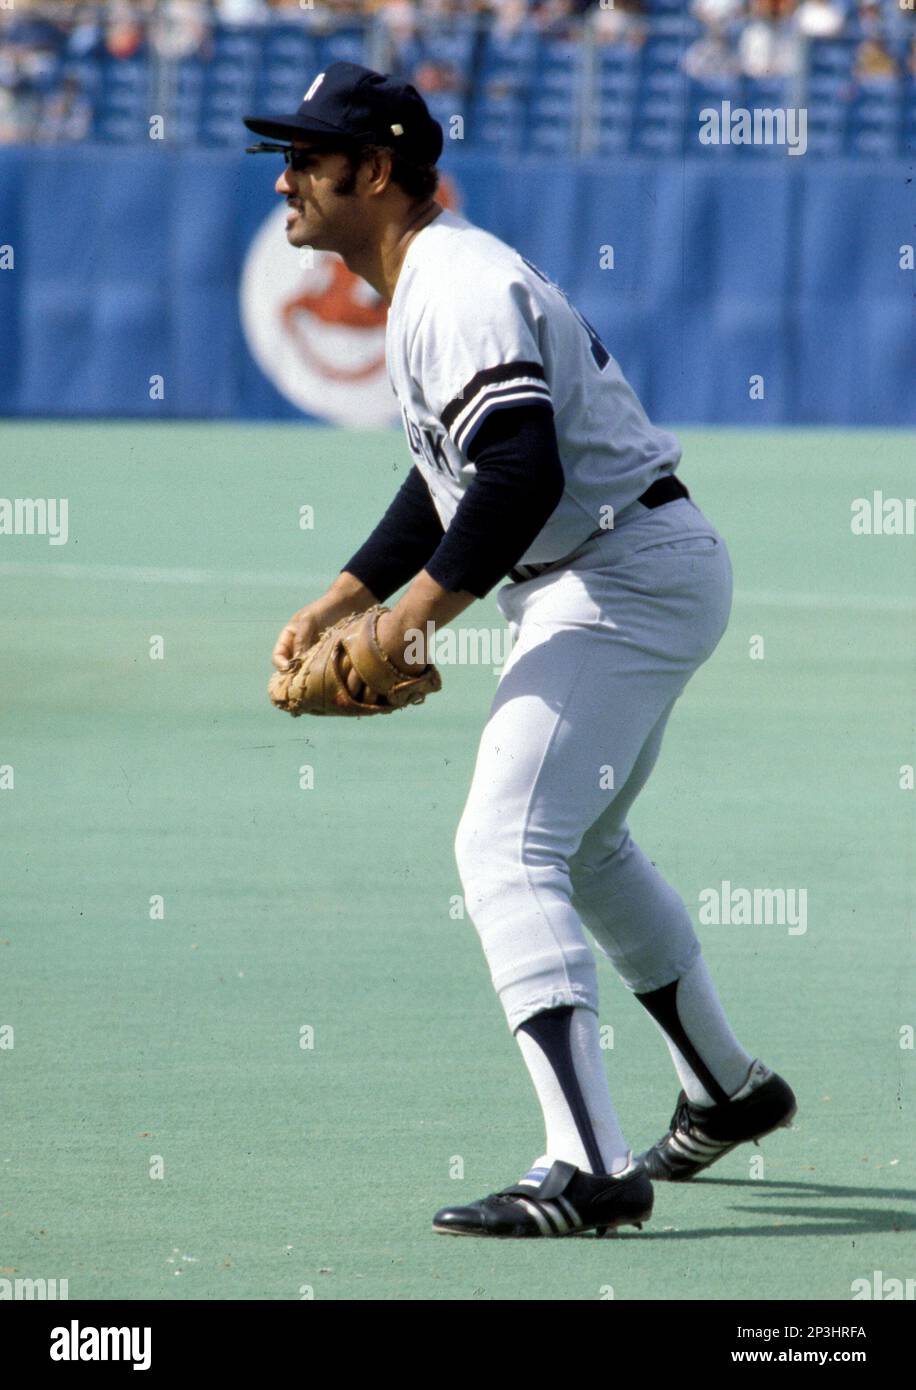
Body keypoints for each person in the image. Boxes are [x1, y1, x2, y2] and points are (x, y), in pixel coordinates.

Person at [244, 62, 797, 1239]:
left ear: (375, 172)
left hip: (618, 578)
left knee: (505, 841)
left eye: (306, 155)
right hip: (623, 567)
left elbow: (521, 472)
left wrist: (400, 629)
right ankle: (727, 1088)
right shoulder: (429, 282)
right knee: (586, 847)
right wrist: (348, 594)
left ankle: (592, 1167)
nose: (284, 176)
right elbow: (449, 477)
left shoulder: (455, 281)